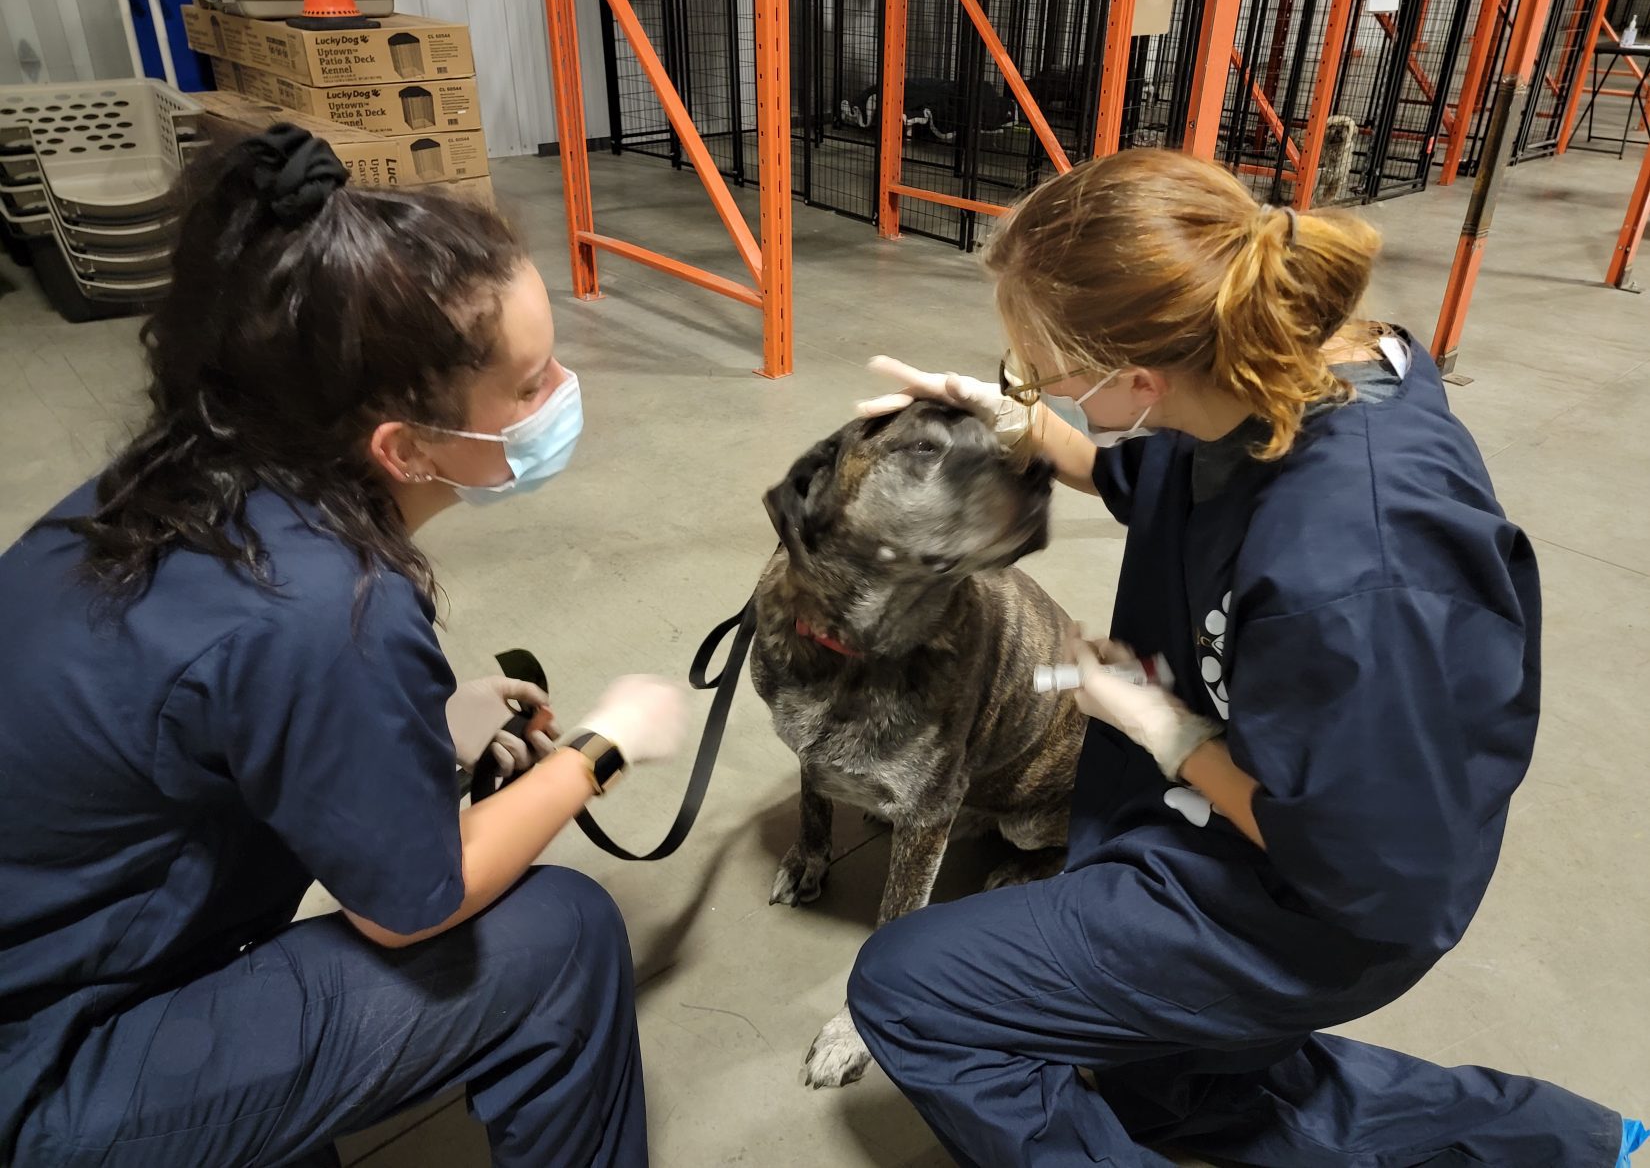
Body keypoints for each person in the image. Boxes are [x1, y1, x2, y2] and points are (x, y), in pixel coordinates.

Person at [848, 149, 1646, 1167]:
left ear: (1141, 374)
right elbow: (1134, 467)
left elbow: (1358, 860)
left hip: (1325, 892)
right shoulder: (1260, 367)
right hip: (1262, 802)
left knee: (914, 988)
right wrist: (1004, 416)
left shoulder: (1357, 564)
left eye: (1035, 370)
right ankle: (1564, 1143)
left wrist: (1168, 730)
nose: (1033, 387)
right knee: (1169, 1083)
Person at [0, 126, 687, 1168]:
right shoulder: (327, 606)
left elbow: (220, 712)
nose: (561, 395)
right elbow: (412, 909)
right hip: (40, 1071)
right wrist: (604, 747)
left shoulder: (185, 475)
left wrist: (428, 733)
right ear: (403, 446)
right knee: (561, 936)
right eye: (532, 382)